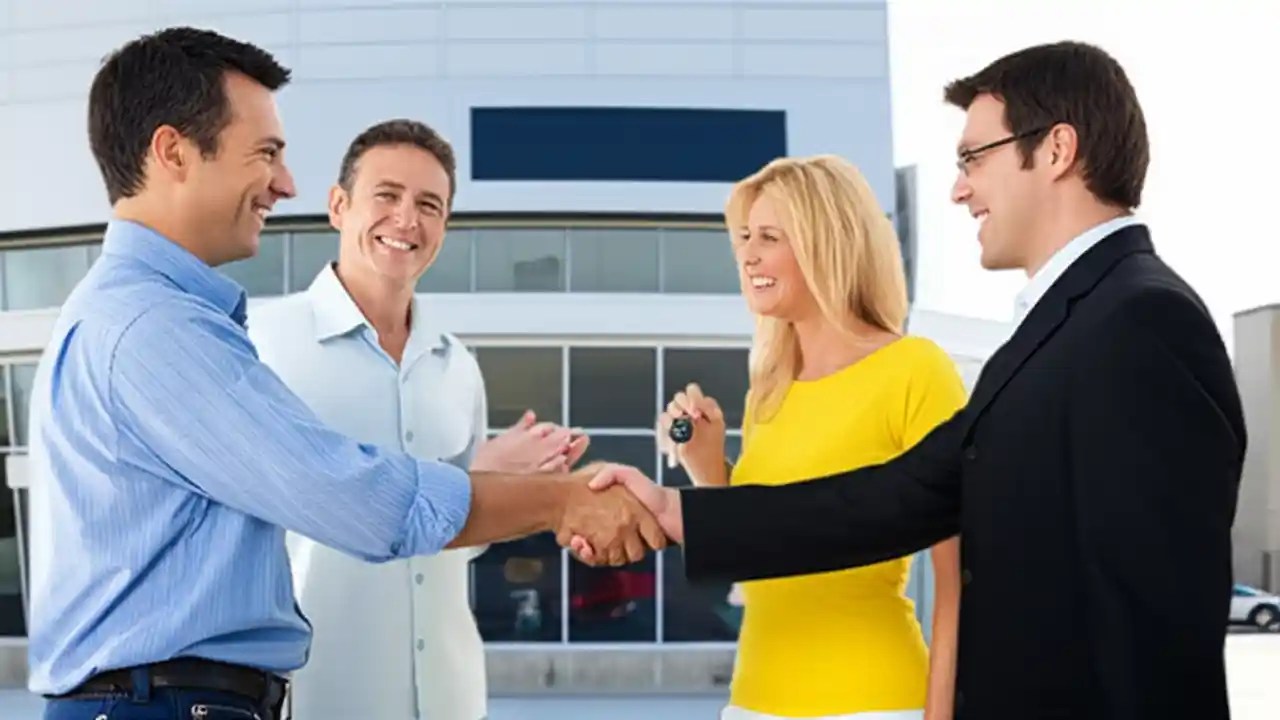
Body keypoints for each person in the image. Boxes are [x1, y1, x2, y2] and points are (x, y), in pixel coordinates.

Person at [579, 41, 1246, 720]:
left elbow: (1158, 614)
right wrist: (677, 509)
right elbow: (892, 501)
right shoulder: (1059, 330)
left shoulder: (1143, 317)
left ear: (1055, 150)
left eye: (974, 158)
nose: (959, 187)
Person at [24, 27, 662, 720]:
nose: (282, 182)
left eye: (431, 205)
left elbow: (416, 529)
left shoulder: (159, 319)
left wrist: (492, 484)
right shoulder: (163, 330)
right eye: (265, 153)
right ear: (173, 151)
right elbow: (359, 500)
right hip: (184, 702)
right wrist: (557, 499)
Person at [246, 119, 587, 720]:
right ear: (338, 206)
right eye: (388, 195)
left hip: (450, 698)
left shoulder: (456, 366)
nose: (408, 220)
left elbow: (454, 545)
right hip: (317, 695)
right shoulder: (263, 343)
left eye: (429, 205)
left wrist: (490, 481)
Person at [656, 155, 965, 720]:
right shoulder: (767, 392)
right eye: (744, 237)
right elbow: (761, 558)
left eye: (769, 237)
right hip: (754, 702)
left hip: (872, 702)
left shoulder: (915, 370)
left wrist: (941, 714)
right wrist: (706, 468)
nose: (746, 254)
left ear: (829, 244)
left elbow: (960, 579)